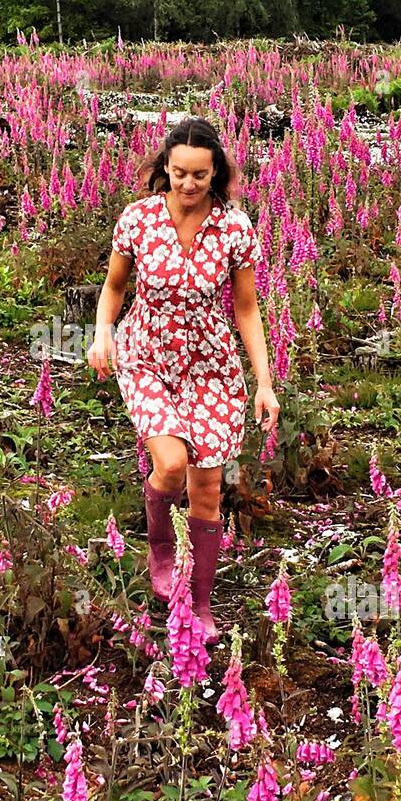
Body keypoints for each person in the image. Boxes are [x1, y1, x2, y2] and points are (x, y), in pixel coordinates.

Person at [87, 118, 280, 643]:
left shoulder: (235, 228)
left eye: (199, 175)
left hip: (211, 365)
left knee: (208, 488)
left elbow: (246, 309)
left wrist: (263, 382)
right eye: (178, 173)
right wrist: (102, 334)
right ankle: (161, 554)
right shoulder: (139, 220)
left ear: (215, 172)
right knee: (170, 464)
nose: (188, 185)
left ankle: (198, 601)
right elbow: (112, 288)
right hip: (146, 354)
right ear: (164, 170)